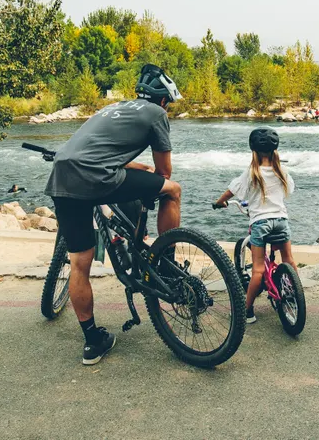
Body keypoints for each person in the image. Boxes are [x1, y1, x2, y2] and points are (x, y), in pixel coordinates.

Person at [43, 63, 184, 365]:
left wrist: (132, 166)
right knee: (172, 189)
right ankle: (167, 262)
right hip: (98, 179)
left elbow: (96, 148)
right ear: (163, 100)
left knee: (79, 264)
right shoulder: (156, 114)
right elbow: (164, 171)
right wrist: (149, 174)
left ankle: (93, 342)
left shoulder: (112, 108)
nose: (167, 109)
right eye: (168, 105)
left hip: (62, 176)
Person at [213, 128, 297, 325]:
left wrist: (219, 202)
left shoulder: (252, 172)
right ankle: (295, 293)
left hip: (260, 223)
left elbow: (232, 191)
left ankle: (246, 311)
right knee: (289, 260)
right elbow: (289, 190)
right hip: (281, 221)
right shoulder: (281, 171)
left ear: (254, 150)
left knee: (258, 270)